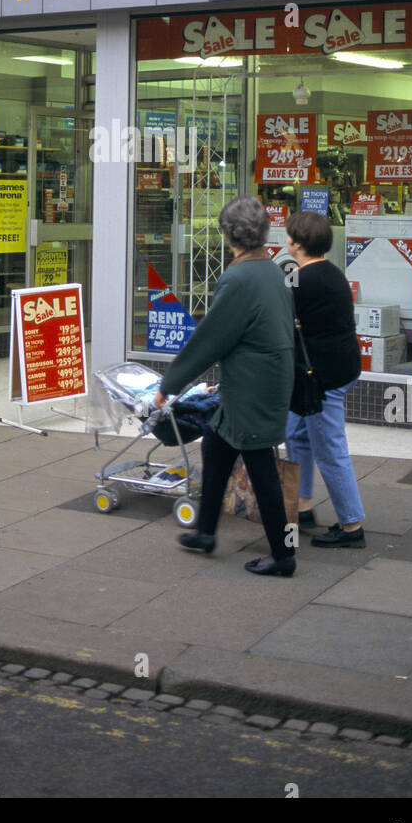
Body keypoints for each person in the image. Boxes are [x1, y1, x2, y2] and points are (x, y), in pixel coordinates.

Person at [153, 196, 296, 577]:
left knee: (262, 468)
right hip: (265, 380)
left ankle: (284, 554)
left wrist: (170, 383)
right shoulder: (271, 269)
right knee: (217, 444)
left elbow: (210, 339)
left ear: (228, 234)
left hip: (252, 386)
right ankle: (205, 532)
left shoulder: (239, 278)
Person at [284, 210, 366, 548]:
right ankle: (302, 506)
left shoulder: (302, 280)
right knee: (296, 432)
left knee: (330, 449)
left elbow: (280, 316)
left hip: (322, 378)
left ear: (296, 243)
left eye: (289, 235)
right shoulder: (331, 273)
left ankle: (351, 526)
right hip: (334, 369)